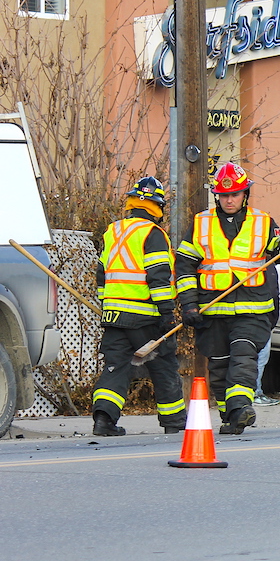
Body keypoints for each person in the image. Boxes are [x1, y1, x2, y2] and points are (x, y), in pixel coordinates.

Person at [176, 162, 280, 435]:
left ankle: (241, 405)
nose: (229, 200)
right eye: (224, 195)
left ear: (244, 194)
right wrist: (188, 304)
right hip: (212, 310)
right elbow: (185, 266)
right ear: (217, 196)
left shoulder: (262, 222)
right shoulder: (201, 223)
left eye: (234, 194)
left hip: (253, 308)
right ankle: (231, 416)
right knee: (220, 366)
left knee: (244, 356)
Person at [91, 176, 187, 436]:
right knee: (163, 364)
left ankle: (103, 420)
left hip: (114, 315)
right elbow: (157, 276)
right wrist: (167, 313)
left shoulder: (114, 231)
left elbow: (102, 274)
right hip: (145, 316)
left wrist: (107, 304)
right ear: (158, 208)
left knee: (115, 367)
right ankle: (174, 422)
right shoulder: (153, 234)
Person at [253, 263, 280, 406]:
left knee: (262, 359)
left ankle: (256, 391)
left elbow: (275, 293)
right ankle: (254, 393)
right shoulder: (255, 264)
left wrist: (274, 319)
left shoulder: (271, 266)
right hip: (255, 319)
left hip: (266, 320)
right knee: (256, 359)